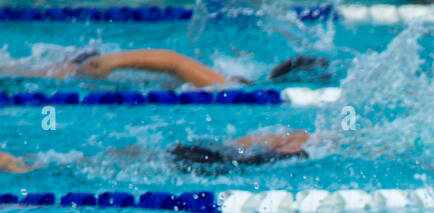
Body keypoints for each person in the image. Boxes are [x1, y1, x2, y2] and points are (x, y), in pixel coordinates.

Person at [0, 128, 314, 175]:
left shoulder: (294, 142)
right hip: (200, 158)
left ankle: (24, 165)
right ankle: (23, 166)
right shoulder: (299, 148)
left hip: (199, 156)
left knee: (116, 156)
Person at [1, 47, 330, 88]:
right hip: (114, 72)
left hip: (127, 77)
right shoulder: (234, 87)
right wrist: (117, 61)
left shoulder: (242, 80)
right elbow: (175, 62)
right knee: (48, 75)